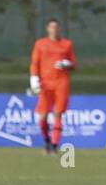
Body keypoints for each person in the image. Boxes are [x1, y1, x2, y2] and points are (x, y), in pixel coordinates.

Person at [29, 19, 76, 154]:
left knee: (58, 114)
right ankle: (46, 142)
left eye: (56, 27)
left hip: (61, 82)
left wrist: (67, 64)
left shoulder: (67, 44)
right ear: (47, 29)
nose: (54, 29)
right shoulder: (40, 44)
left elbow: (73, 63)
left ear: (59, 29)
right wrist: (34, 78)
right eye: (51, 27)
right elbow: (34, 63)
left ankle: (55, 145)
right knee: (42, 116)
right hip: (45, 83)